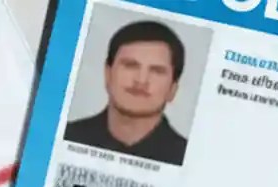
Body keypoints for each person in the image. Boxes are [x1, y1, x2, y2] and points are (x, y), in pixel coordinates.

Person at [64, 20, 189, 166]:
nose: (141, 80)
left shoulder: (188, 160)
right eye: (130, 65)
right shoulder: (65, 136)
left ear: (172, 89)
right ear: (108, 74)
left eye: (157, 71)